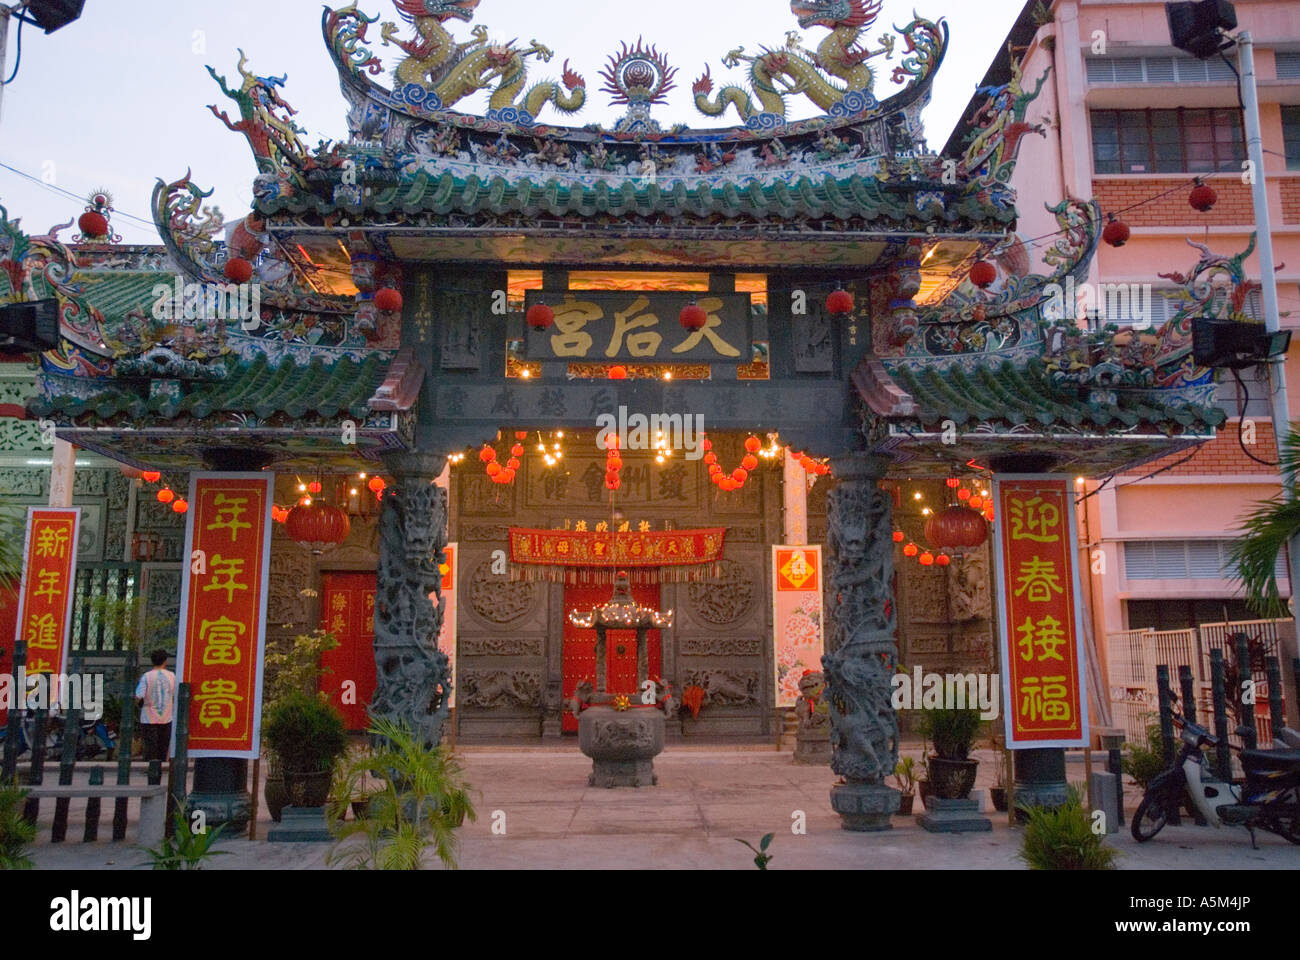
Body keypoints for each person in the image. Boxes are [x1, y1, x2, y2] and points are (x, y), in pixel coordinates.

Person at [135, 649, 176, 762]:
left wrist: (140, 705)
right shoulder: (172, 676)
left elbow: (138, 696)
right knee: (163, 746)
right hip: (166, 717)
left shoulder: (146, 677)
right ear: (165, 661)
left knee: (150, 748)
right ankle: (161, 768)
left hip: (148, 717)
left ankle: (151, 769)